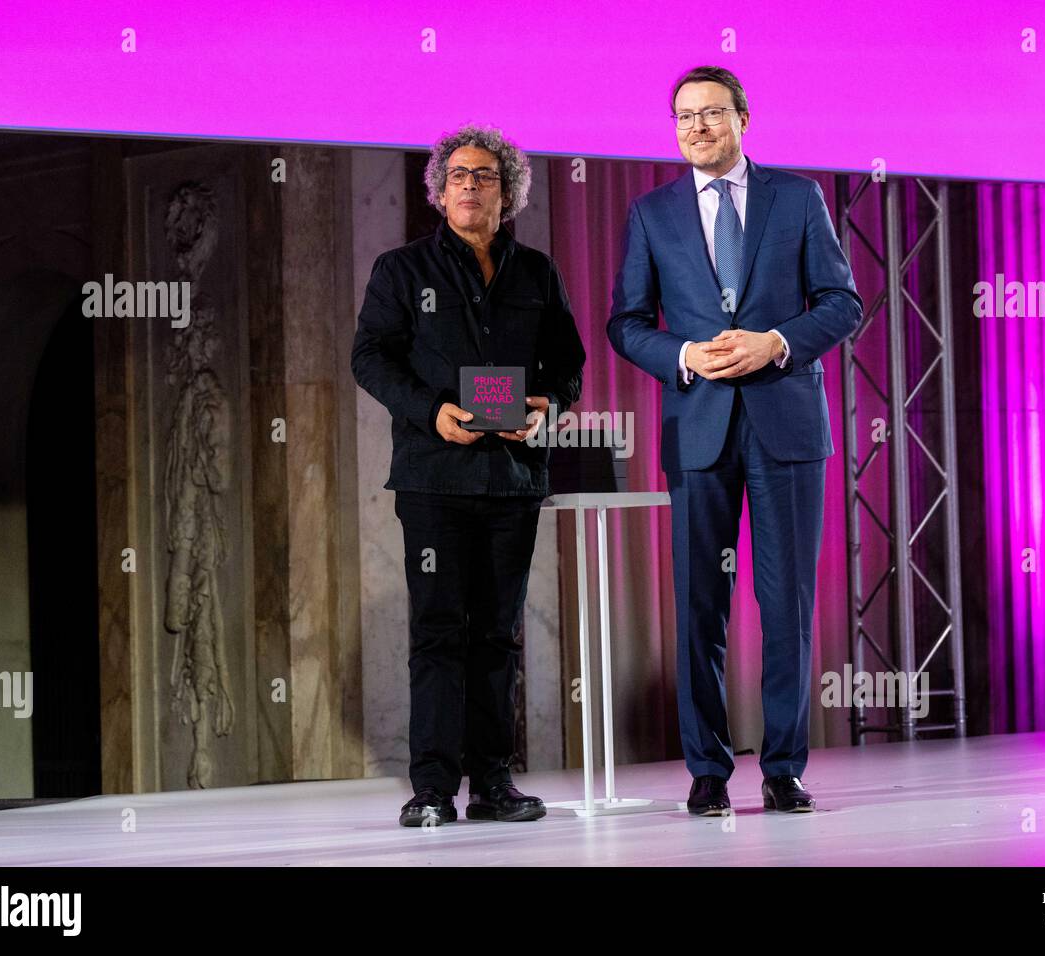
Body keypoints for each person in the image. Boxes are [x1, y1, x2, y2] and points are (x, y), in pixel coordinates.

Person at [607, 66, 862, 815]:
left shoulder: (798, 196)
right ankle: (708, 773)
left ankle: (783, 768)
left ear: (744, 118)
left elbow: (842, 302)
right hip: (699, 427)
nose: (697, 127)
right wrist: (685, 357)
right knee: (699, 607)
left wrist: (776, 342)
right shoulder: (651, 212)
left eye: (712, 113)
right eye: (684, 116)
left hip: (784, 426)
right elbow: (627, 323)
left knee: (786, 604)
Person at [352, 124, 585, 826]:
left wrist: (548, 403)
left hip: (513, 478)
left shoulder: (537, 273)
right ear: (439, 189)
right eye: (458, 174)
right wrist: (433, 412)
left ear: (507, 191)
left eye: (485, 175)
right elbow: (369, 357)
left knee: (497, 634)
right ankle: (430, 791)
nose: (470, 185)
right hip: (434, 478)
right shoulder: (402, 271)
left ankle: (493, 784)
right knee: (438, 630)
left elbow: (567, 366)